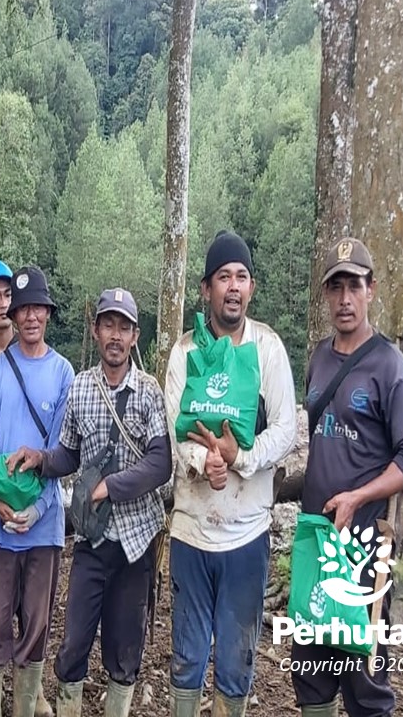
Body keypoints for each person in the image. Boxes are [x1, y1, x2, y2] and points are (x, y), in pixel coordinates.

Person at [8, 287, 172, 717]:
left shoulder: (149, 392)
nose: (115, 336)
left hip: (136, 542)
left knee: (123, 650)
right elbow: (69, 455)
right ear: (95, 331)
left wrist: (110, 487)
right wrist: (40, 459)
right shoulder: (81, 388)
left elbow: (161, 464)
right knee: (73, 644)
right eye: (108, 325)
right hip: (91, 539)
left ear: (135, 336)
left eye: (124, 327)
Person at [292, 238, 403, 717]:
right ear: (326, 295)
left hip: (365, 549)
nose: (345, 298)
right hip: (315, 540)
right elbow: (321, 442)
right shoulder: (318, 358)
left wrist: (357, 497)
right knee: (309, 670)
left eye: (355, 285)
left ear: (371, 290)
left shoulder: (389, 365)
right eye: (336, 287)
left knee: (364, 678)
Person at [164, 230, 298, 717]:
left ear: (252, 288)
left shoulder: (268, 349)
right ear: (206, 289)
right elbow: (176, 429)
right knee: (186, 657)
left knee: (237, 662)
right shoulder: (185, 351)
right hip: (191, 530)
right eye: (224, 277)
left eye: (241, 276)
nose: (233, 286)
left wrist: (239, 458)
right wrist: (206, 463)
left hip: (248, 534)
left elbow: (285, 428)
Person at [0, 267, 74, 717]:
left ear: (48, 314)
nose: (30, 316)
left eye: (38, 307)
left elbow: (62, 452)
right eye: (22, 309)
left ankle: (27, 705)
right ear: (12, 315)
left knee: (35, 627)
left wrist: (37, 508)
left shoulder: (63, 372)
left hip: (45, 526)